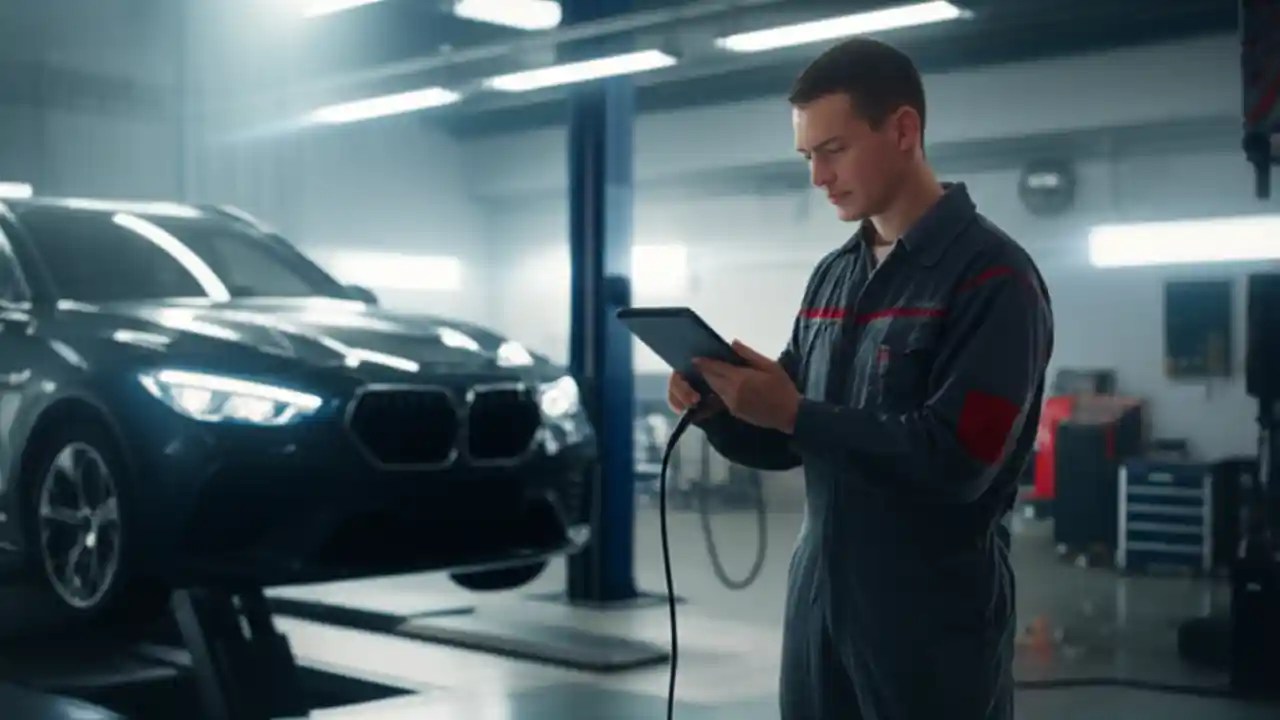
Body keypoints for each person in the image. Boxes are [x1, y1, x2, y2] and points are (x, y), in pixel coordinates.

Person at [668, 38, 1054, 719]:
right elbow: (787, 439)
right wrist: (722, 412)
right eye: (807, 156)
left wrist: (793, 414)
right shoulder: (833, 276)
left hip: (929, 623)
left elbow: (957, 461)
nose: (818, 176)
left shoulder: (995, 280)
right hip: (819, 604)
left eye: (834, 149)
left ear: (904, 130)